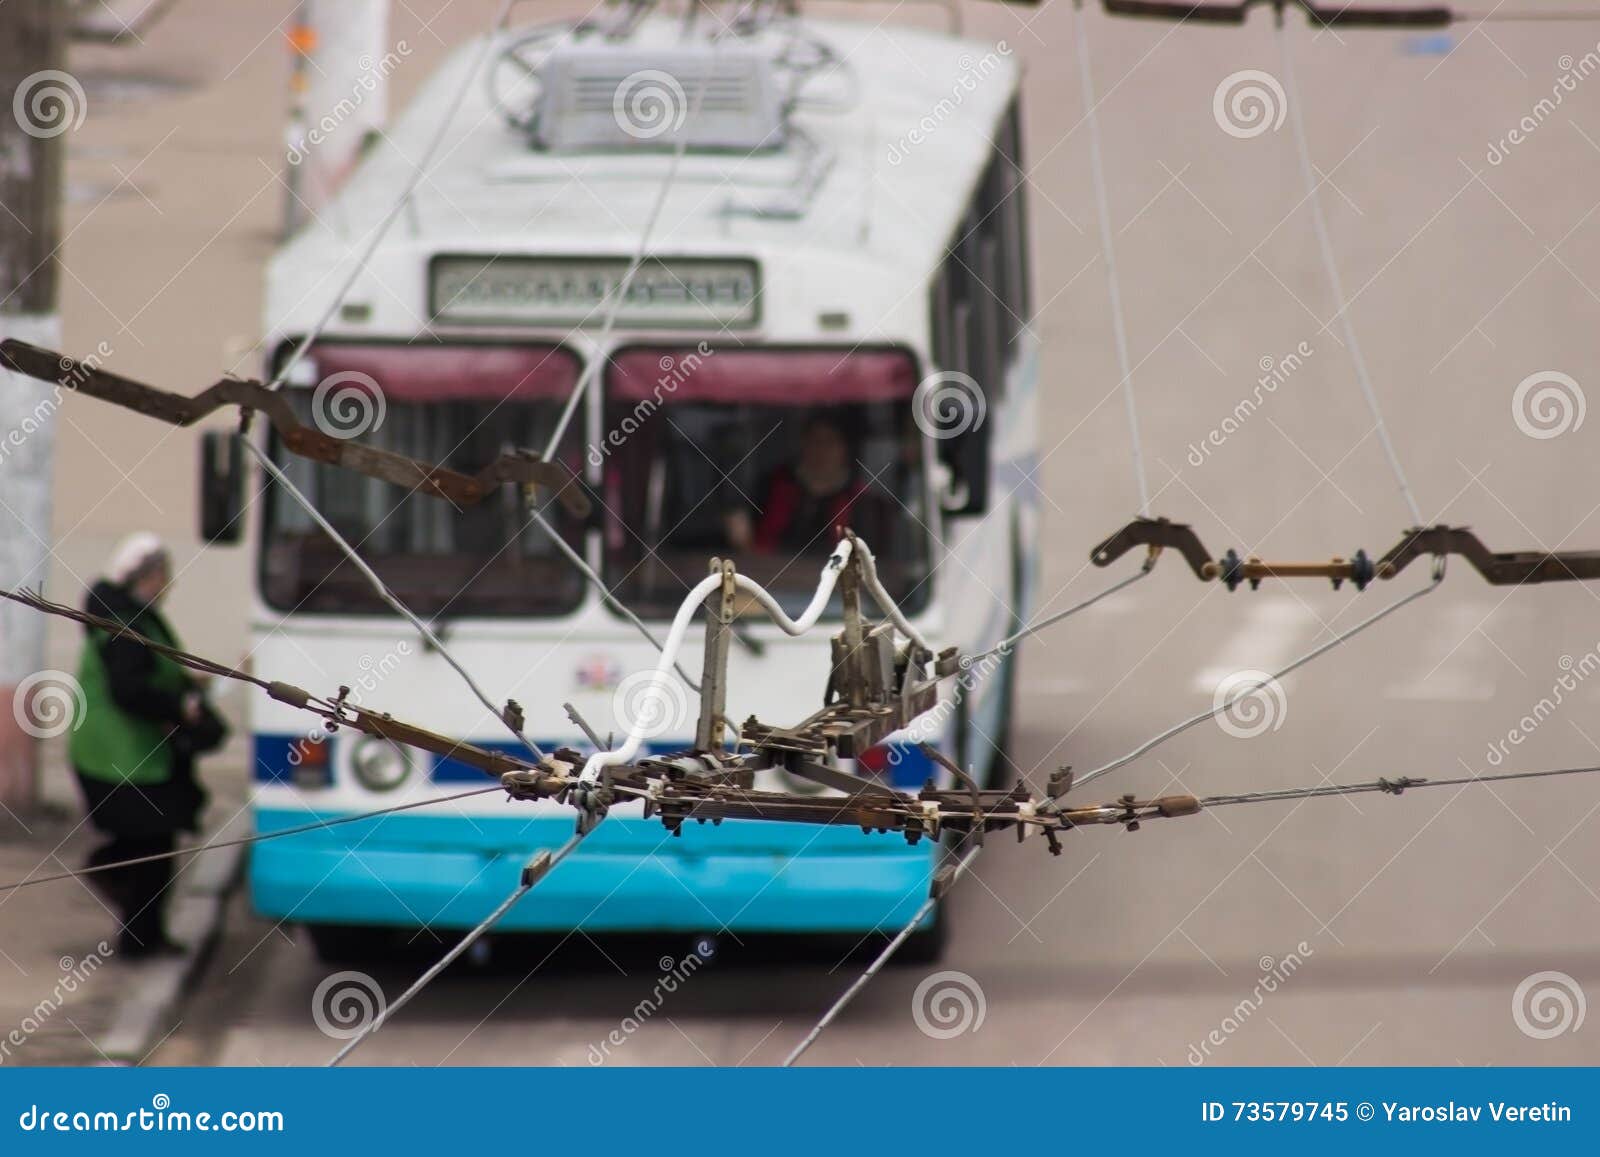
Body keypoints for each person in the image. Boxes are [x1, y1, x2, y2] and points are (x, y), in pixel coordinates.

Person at [69, 533, 226, 959]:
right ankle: (138, 940)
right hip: (120, 758)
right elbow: (128, 689)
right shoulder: (125, 625)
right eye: (163, 574)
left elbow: (151, 671)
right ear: (147, 576)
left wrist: (184, 684)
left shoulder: (134, 617)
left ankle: (145, 935)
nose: (168, 584)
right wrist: (180, 705)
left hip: (135, 756)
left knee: (154, 847)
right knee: (147, 850)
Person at [725, 414, 882, 555]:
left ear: (844, 448)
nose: (821, 450)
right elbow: (748, 540)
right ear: (803, 443)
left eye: (830, 441)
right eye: (815, 441)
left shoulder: (860, 499)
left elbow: (865, 555)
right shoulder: (774, 484)